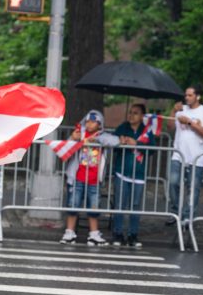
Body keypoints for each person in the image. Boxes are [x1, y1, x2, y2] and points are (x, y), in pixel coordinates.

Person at [59, 109, 119, 245]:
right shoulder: (79, 134)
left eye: (93, 122)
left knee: (94, 207)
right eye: (88, 121)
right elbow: (66, 149)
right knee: (73, 204)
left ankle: (93, 234)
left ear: (100, 124)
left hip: (94, 180)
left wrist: (96, 139)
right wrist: (72, 139)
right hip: (77, 177)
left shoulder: (102, 136)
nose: (90, 124)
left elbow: (115, 141)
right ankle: (69, 232)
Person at [167, 86, 203, 225]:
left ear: (197, 97)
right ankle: (175, 213)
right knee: (173, 182)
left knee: (193, 188)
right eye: (185, 95)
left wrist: (189, 122)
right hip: (179, 154)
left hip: (197, 157)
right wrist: (173, 111)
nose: (186, 98)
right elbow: (169, 127)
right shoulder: (181, 110)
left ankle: (188, 217)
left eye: (189, 95)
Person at [112, 104, 155, 248]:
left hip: (139, 173)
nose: (131, 115)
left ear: (142, 116)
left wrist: (136, 144)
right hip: (122, 171)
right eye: (130, 112)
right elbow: (111, 142)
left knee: (135, 205)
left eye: (135, 113)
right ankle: (118, 233)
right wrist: (120, 141)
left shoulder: (147, 131)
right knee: (120, 203)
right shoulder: (122, 128)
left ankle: (133, 234)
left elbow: (153, 149)